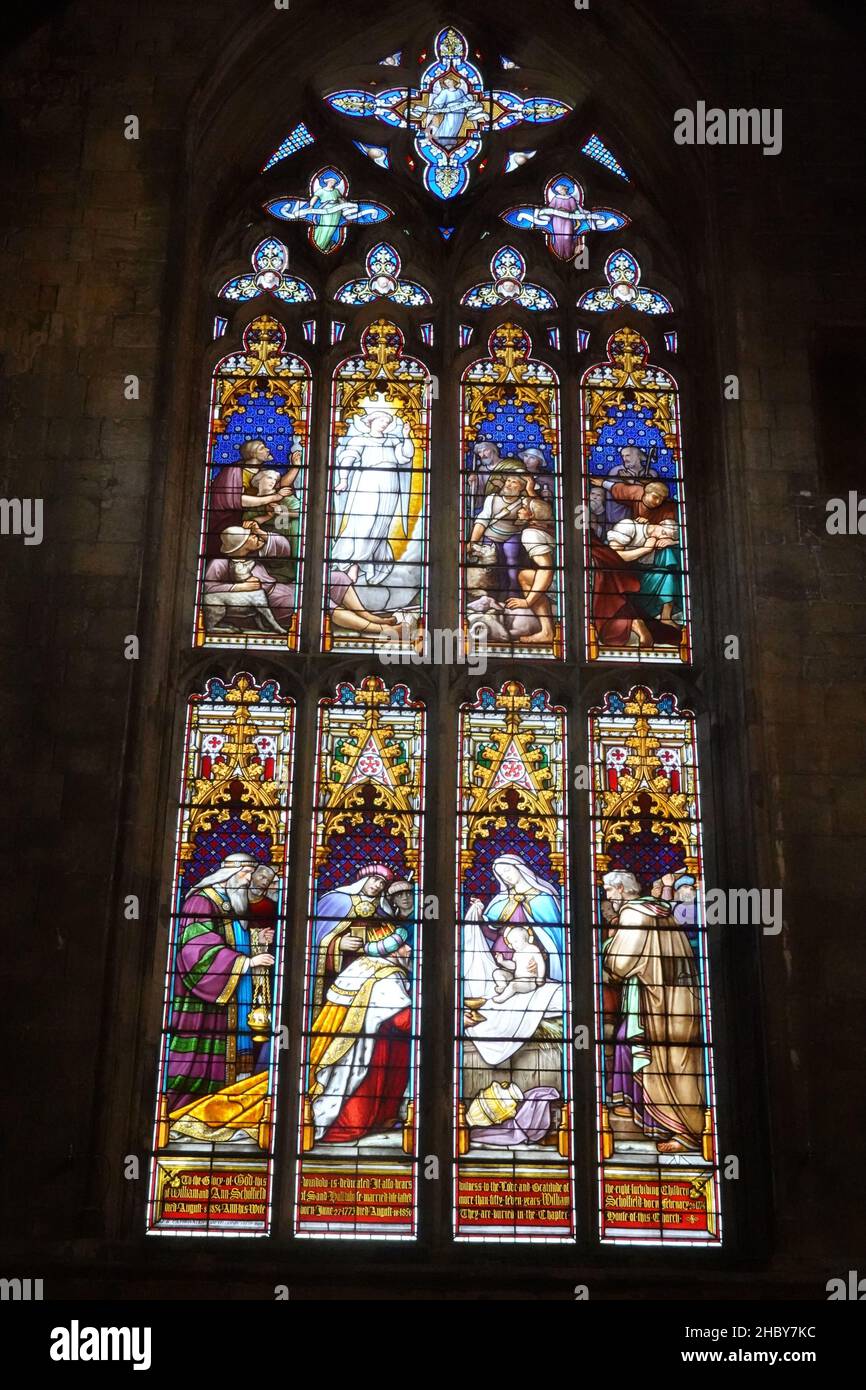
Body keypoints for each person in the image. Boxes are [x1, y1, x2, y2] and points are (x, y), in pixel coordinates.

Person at [164, 854, 276, 1136]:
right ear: (233, 873)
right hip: (202, 1000)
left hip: (227, 997)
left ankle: (213, 1114)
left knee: (223, 1057)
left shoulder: (226, 903)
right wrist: (246, 962)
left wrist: (255, 942)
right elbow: (195, 948)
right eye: (248, 875)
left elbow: (232, 939)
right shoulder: (202, 900)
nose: (251, 881)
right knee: (197, 1057)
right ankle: (180, 1115)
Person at [601, 869, 705, 1154]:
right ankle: (643, 1111)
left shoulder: (635, 914)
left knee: (663, 1058)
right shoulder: (658, 910)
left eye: (610, 890)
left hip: (656, 1001)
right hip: (672, 997)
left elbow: (621, 962)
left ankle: (684, 1130)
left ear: (621, 889)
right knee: (654, 1052)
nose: (608, 896)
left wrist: (606, 949)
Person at [307, 930, 413, 1144]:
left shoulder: (364, 965)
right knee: (355, 1101)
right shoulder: (386, 976)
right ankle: (345, 1125)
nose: (409, 949)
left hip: (362, 1041)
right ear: (391, 952)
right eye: (403, 945)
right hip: (363, 1048)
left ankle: (382, 1118)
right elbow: (403, 1020)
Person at [330, 400, 415, 586]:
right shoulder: (359, 439)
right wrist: (343, 479)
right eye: (381, 421)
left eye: (386, 422)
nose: (384, 424)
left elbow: (405, 456)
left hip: (389, 486)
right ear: (371, 422)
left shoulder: (393, 440)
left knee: (380, 525)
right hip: (368, 483)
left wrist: (406, 436)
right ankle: (352, 564)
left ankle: (368, 565)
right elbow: (347, 459)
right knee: (364, 523)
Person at [311, 865, 395, 1009]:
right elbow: (314, 936)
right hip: (338, 971)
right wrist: (338, 943)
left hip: (372, 969)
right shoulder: (336, 900)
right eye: (375, 879)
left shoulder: (383, 910)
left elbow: (391, 938)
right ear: (363, 879)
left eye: (382, 883)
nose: (378, 886)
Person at [208, 439, 299, 554]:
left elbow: (280, 485)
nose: (268, 450)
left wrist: (296, 466)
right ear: (252, 453)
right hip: (229, 521)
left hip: (255, 518)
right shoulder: (234, 471)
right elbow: (235, 499)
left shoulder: (262, 471)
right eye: (262, 448)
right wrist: (274, 497)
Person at [202, 525, 295, 634]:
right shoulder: (220, 563)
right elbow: (208, 587)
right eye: (251, 536)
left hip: (277, 591)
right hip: (266, 603)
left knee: (300, 591)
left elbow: (283, 549)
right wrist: (239, 587)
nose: (255, 536)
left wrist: (260, 531)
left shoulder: (254, 554)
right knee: (295, 604)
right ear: (242, 545)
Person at [492, 925, 547, 1002]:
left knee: (513, 985)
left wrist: (540, 978)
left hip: (529, 981)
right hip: (516, 978)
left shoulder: (533, 949)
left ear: (524, 939)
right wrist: (502, 962)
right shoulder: (517, 953)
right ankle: (503, 986)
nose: (513, 945)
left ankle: (501, 998)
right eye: (512, 943)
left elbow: (540, 963)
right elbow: (514, 966)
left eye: (515, 941)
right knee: (497, 973)